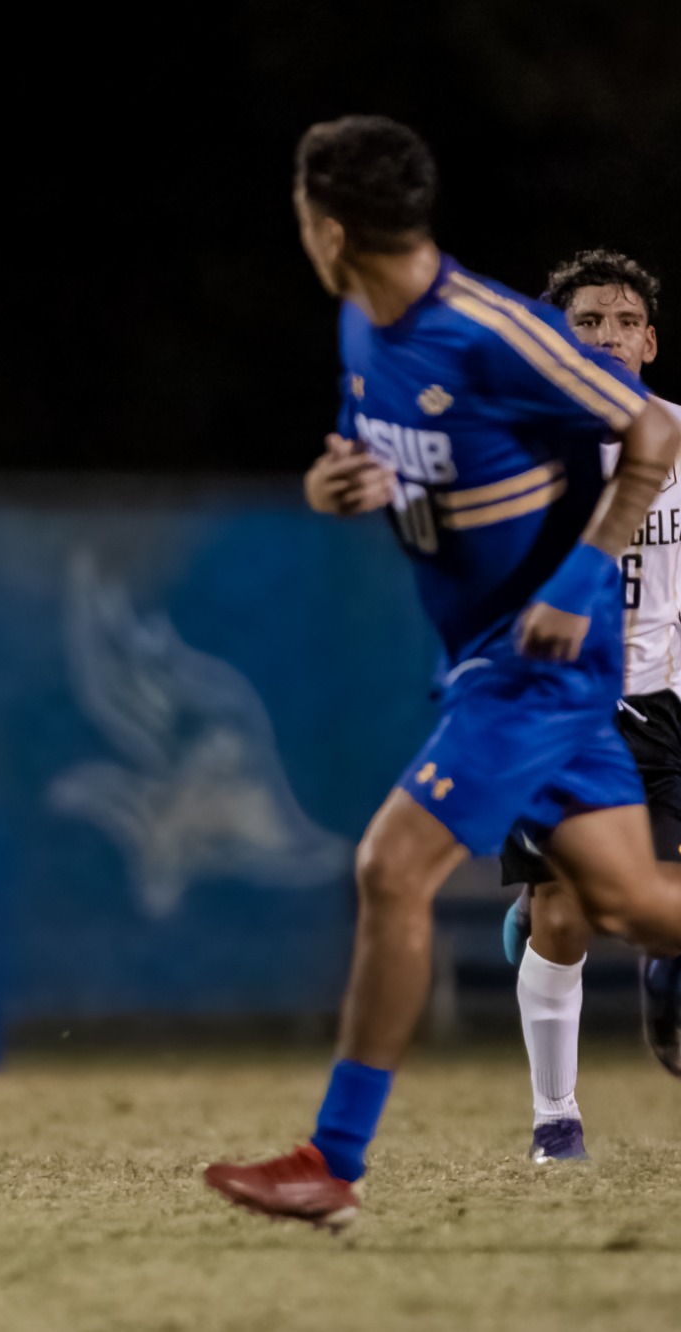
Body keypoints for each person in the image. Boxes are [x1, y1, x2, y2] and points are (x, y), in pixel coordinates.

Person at [203, 116, 681, 1232]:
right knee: (626, 902)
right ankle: (345, 1160)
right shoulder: (363, 325)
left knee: (390, 867)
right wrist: (335, 485)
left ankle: (330, 1162)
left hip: (535, 669)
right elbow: (367, 453)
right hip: (488, 658)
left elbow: (649, 432)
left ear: (329, 228)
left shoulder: (491, 331)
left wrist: (579, 577)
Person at [499, 249, 681, 1163]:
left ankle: (663, 966)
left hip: (665, 709)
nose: (608, 335)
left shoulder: (678, 435)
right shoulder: (524, 449)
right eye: (588, 322)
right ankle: (555, 1122)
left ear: (650, 341)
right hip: (561, 709)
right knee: (564, 917)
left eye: (625, 322)